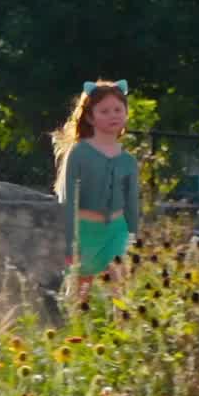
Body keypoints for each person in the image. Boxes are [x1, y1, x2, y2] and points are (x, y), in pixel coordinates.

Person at [51, 79, 141, 284]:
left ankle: (119, 316)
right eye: (105, 111)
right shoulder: (79, 153)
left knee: (121, 289)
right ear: (90, 117)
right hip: (84, 232)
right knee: (80, 293)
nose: (113, 115)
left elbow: (132, 203)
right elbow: (67, 199)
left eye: (118, 109)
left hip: (116, 232)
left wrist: (134, 237)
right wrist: (69, 242)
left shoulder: (128, 160)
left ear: (126, 114)